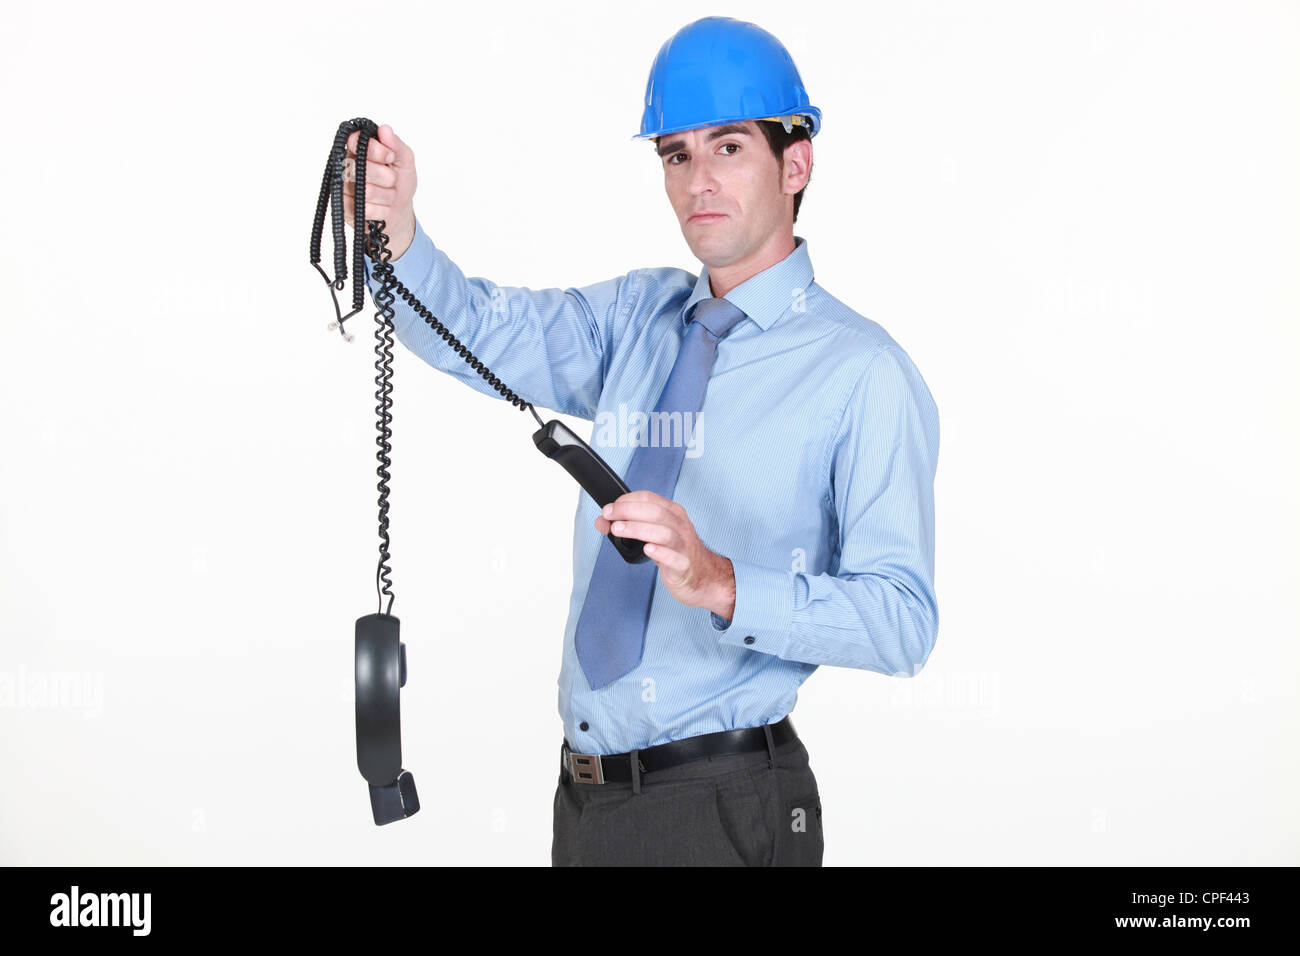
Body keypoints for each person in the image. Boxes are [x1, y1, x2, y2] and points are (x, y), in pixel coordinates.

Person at [342, 16, 940, 866]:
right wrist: (395, 230)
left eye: (729, 148)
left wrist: (722, 581)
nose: (699, 181)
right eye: (676, 154)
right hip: (587, 803)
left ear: (796, 162)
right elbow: (473, 327)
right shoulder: (636, 317)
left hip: (727, 806)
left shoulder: (864, 374)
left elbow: (902, 621)